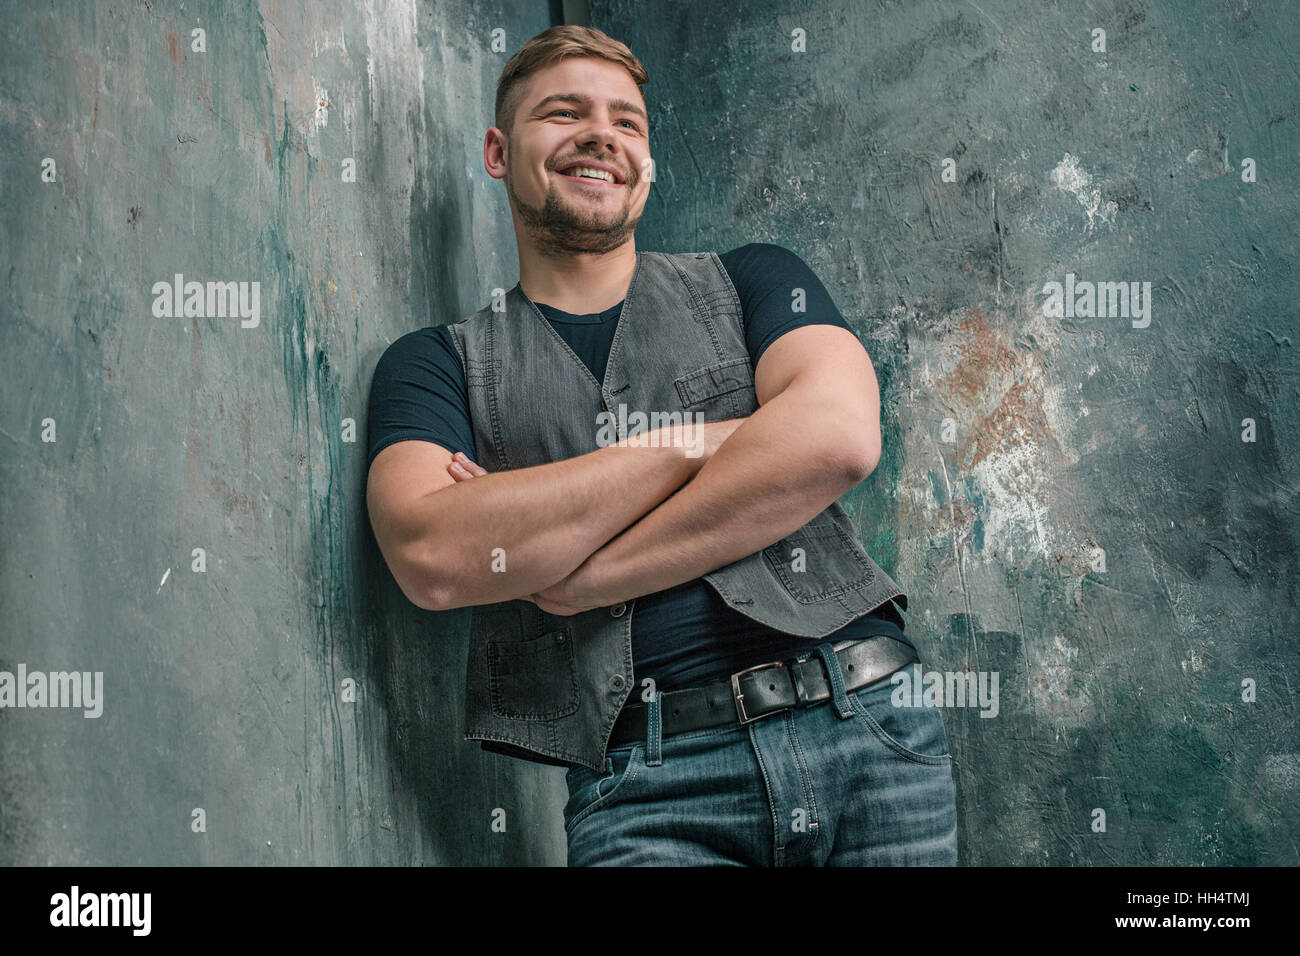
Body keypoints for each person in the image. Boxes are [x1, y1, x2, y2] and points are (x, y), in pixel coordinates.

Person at [365, 25, 956, 866]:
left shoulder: (756, 280)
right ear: (499, 152)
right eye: (563, 112)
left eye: (627, 123)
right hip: (645, 792)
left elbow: (837, 437)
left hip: (868, 728)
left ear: (646, 161)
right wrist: (705, 441)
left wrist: (585, 570)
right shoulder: (435, 366)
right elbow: (433, 552)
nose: (601, 135)